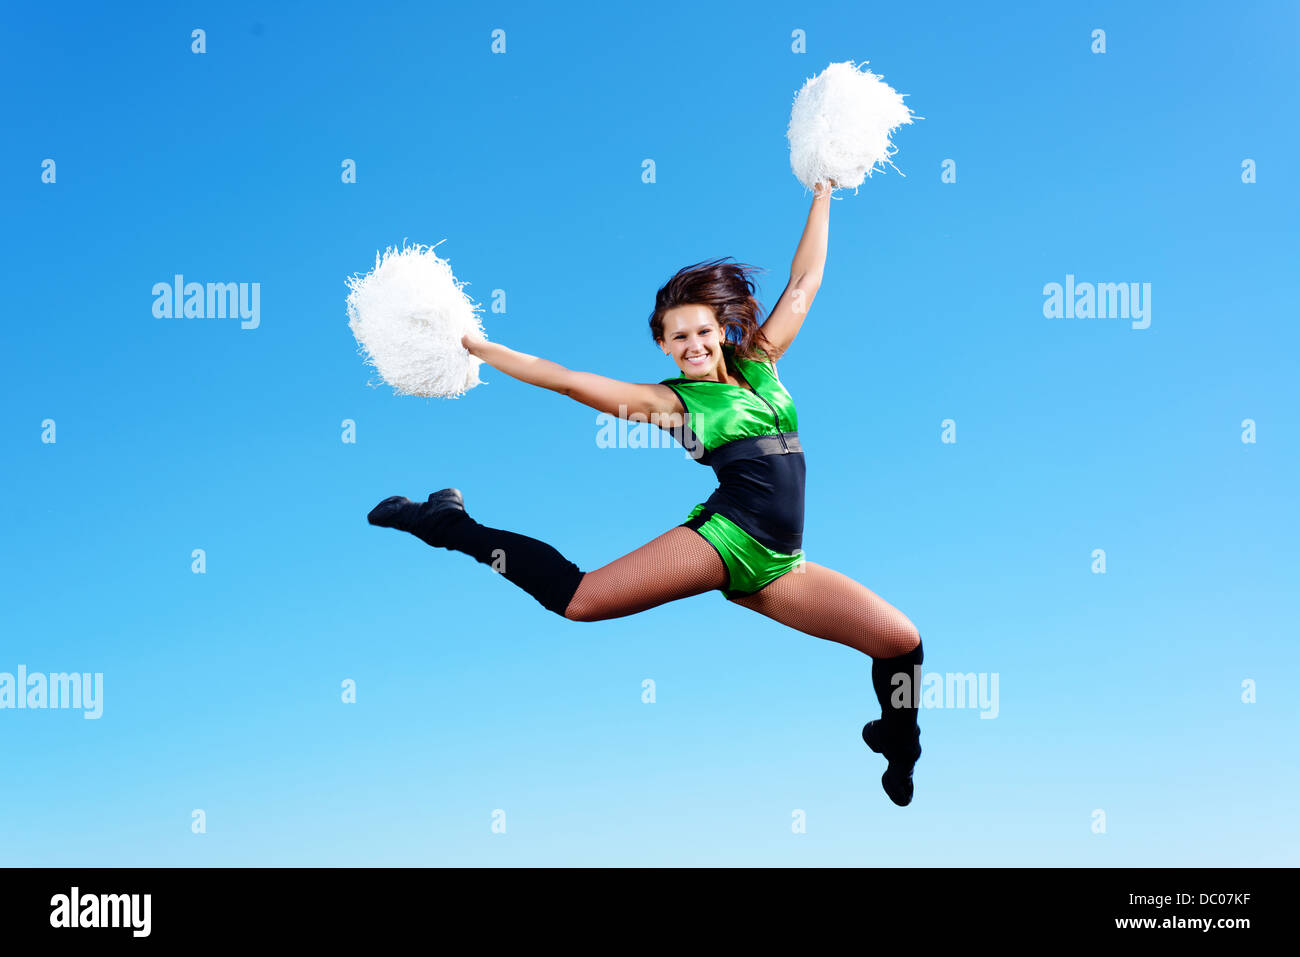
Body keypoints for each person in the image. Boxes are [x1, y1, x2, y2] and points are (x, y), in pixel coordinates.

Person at [368, 181, 926, 805]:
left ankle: (899, 745)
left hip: (782, 565)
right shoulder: (672, 401)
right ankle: (444, 522)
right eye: (677, 338)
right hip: (726, 540)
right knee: (579, 600)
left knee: (900, 641)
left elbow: (802, 285)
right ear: (663, 345)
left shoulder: (762, 361)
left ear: (723, 329)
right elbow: (570, 382)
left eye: (702, 332)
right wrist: (476, 345)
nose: (692, 346)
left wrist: (823, 188)